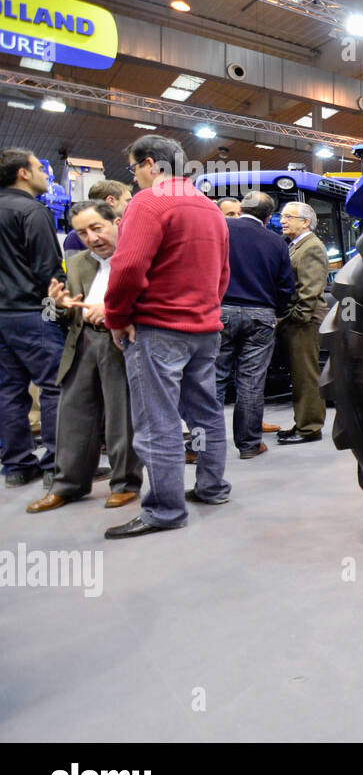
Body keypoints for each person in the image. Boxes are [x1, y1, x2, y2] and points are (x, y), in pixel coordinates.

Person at [102, 134, 231, 538]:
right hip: (204, 328)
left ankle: (164, 509)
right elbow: (222, 274)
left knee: (156, 420)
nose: (136, 177)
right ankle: (212, 486)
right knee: (205, 413)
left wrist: (116, 316)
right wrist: (205, 309)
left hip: (158, 329)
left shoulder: (149, 202)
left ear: (151, 164)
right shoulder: (210, 209)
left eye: (134, 168)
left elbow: (127, 268)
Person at [26, 200, 143, 512]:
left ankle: (125, 483)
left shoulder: (138, 258)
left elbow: (153, 300)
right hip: (82, 343)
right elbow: (64, 316)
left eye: (97, 228)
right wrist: (60, 305)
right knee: (73, 416)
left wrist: (112, 311)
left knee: (122, 418)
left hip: (122, 344)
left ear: (117, 222)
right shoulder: (77, 263)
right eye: (82, 232)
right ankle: (69, 485)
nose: (92, 238)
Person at [0, 148, 65, 488]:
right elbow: (48, 272)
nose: (44, 174)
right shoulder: (32, 211)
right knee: (54, 386)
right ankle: (57, 465)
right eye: (39, 167)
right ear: (23, 173)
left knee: (9, 391)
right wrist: (56, 315)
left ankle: (17, 466)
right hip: (32, 312)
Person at [216, 191, 294, 459]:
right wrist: (277, 310)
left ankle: (201, 446)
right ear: (269, 217)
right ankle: (249, 445)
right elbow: (286, 285)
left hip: (221, 312)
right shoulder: (277, 242)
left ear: (241, 208)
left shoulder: (222, 229)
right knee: (251, 382)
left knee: (214, 380)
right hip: (261, 315)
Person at [276, 201, 328, 445]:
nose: (283, 220)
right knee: (299, 375)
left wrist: (296, 316)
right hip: (298, 321)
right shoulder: (296, 246)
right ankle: (302, 423)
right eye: (282, 216)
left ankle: (309, 428)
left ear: (305, 222)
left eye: (289, 217)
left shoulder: (311, 247)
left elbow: (310, 289)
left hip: (304, 322)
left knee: (306, 375)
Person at [64, 180, 134, 254]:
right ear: (111, 200)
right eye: (128, 201)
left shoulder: (130, 231)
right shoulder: (75, 238)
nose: (132, 205)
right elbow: (73, 264)